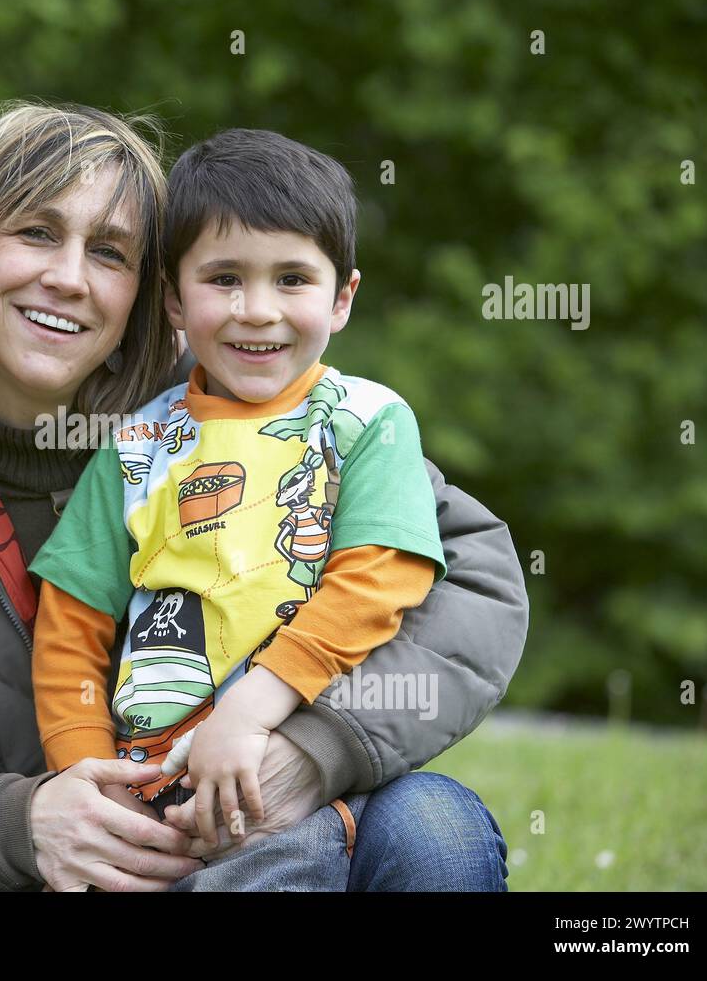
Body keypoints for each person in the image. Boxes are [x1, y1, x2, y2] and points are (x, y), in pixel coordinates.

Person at [0, 103, 525, 892]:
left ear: (148, 290)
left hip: (295, 803)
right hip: (117, 858)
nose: (68, 278)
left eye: (108, 251)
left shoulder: (238, 401)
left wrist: (315, 749)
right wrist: (19, 825)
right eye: (35, 232)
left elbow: (472, 577)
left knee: (432, 830)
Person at [31, 128, 443, 886]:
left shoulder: (366, 420)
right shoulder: (135, 447)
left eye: (293, 279)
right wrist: (85, 777)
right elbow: (70, 624)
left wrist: (251, 711)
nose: (258, 311)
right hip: (158, 793)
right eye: (224, 278)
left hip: (304, 776)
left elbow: (379, 579)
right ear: (173, 299)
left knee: (371, 853)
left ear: (342, 297)